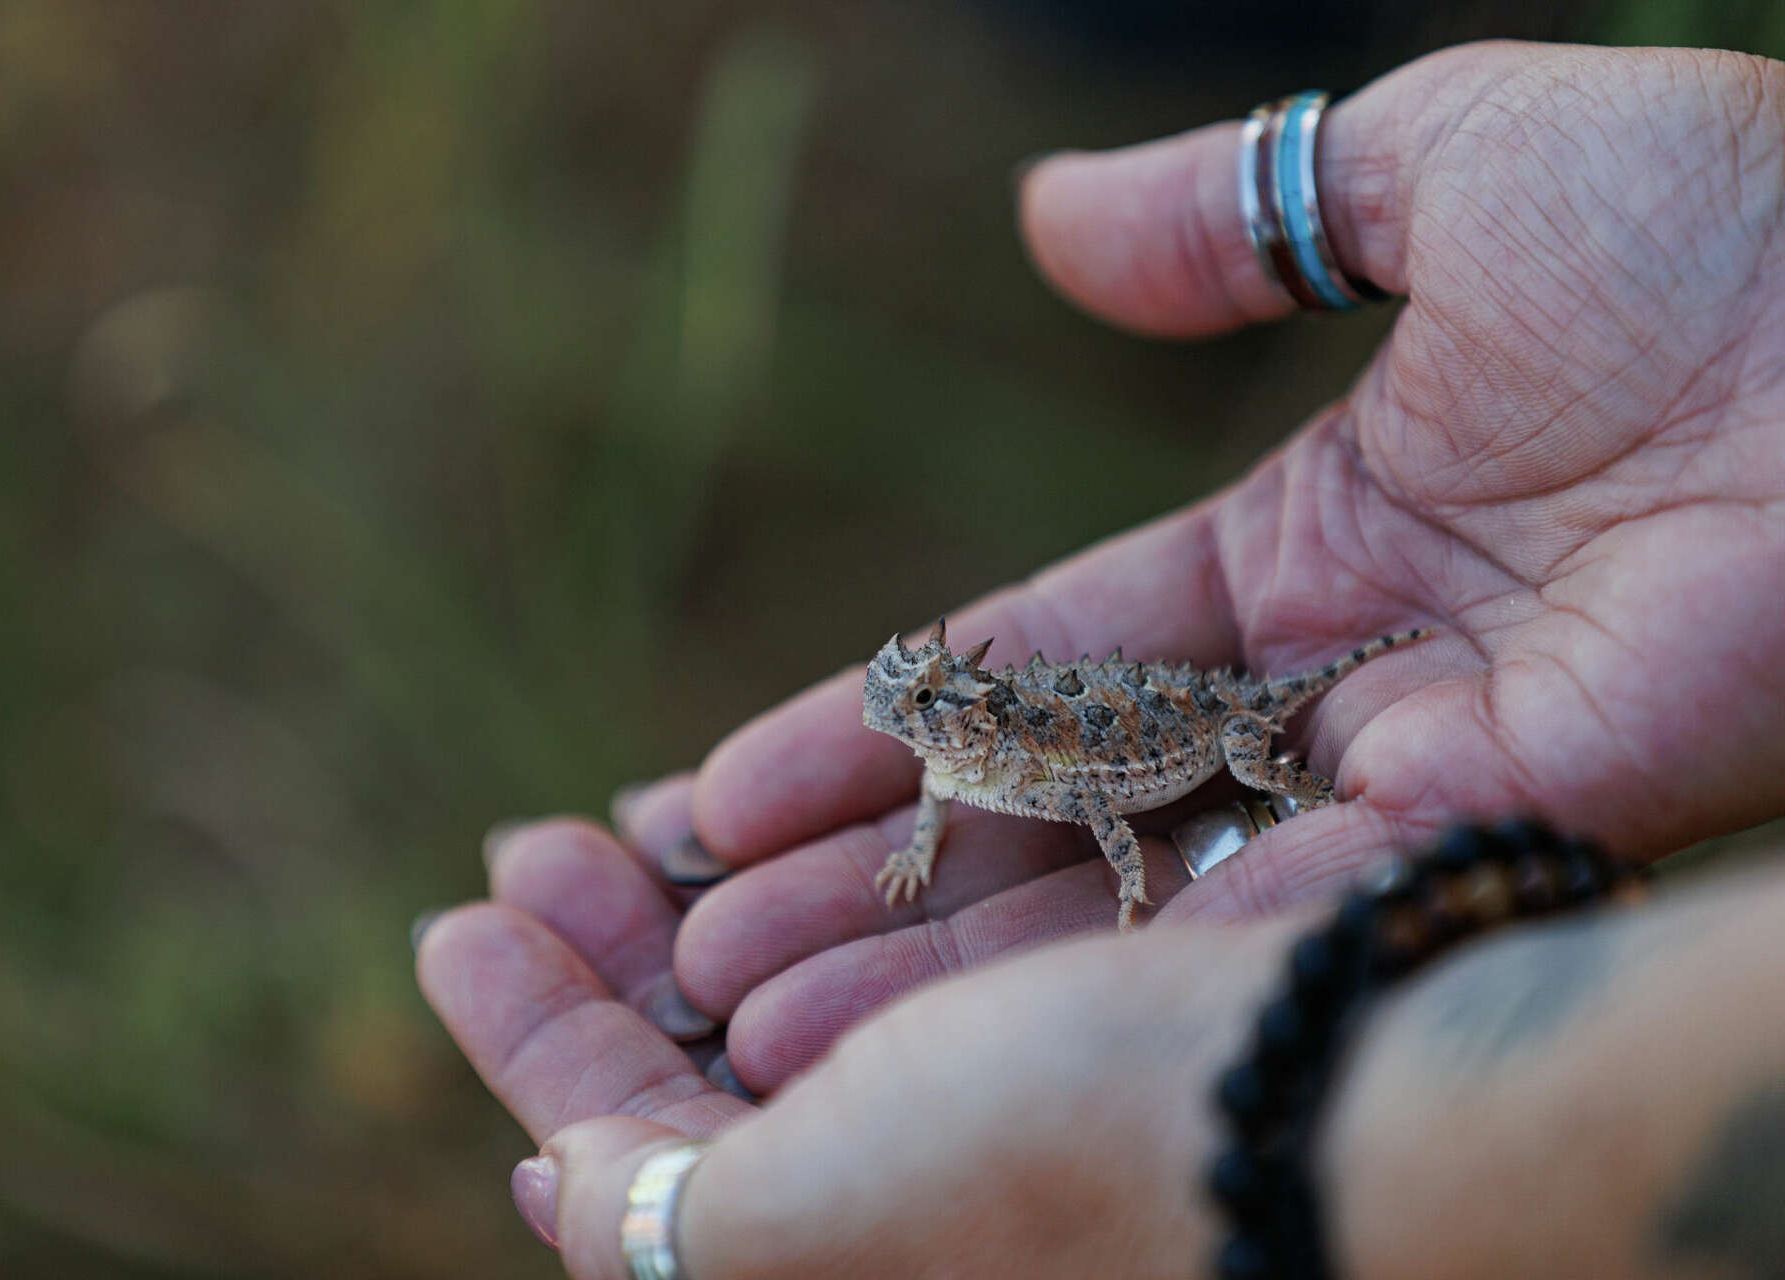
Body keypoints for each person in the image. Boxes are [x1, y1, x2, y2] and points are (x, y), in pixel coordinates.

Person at [415, 38, 1785, 1278]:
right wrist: (922, 837)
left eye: (929, 694)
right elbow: (954, 783)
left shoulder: (1038, 753)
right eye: (911, 700)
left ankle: (1294, 804)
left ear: (963, 699)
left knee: (1268, 762)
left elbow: (1108, 828)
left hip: (1198, 732)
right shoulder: (963, 753)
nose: (918, 717)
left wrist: (1148, 896)